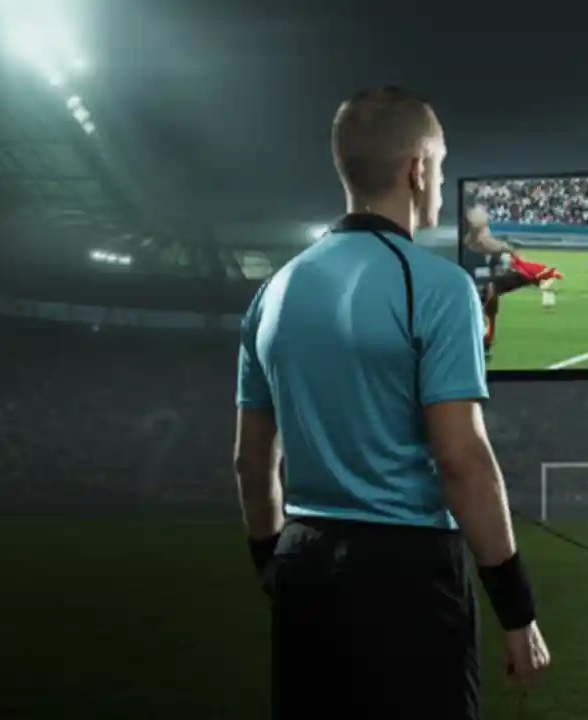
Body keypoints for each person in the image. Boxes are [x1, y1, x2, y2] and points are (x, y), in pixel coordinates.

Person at [233, 86, 550, 719]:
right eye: (442, 163)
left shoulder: (273, 291)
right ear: (417, 169)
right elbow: (461, 461)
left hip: (303, 563)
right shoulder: (439, 286)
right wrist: (517, 612)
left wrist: (275, 564)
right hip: (406, 575)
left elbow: (250, 463)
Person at [462, 207, 562, 357]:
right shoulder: (468, 249)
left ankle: (484, 342)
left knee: (490, 295)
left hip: (484, 289)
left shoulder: (492, 252)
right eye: (483, 227)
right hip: (474, 291)